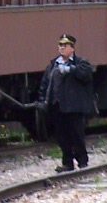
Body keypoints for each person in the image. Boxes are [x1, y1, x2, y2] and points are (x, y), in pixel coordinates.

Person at [40, 33, 94, 172]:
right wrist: (43, 100)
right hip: (57, 106)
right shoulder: (53, 65)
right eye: (60, 45)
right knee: (62, 137)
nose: (62, 48)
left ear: (72, 48)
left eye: (65, 45)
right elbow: (45, 83)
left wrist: (71, 70)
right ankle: (67, 163)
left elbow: (86, 75)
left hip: (74, 107)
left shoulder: (80, 62)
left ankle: (82, 162)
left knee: (77, 135)